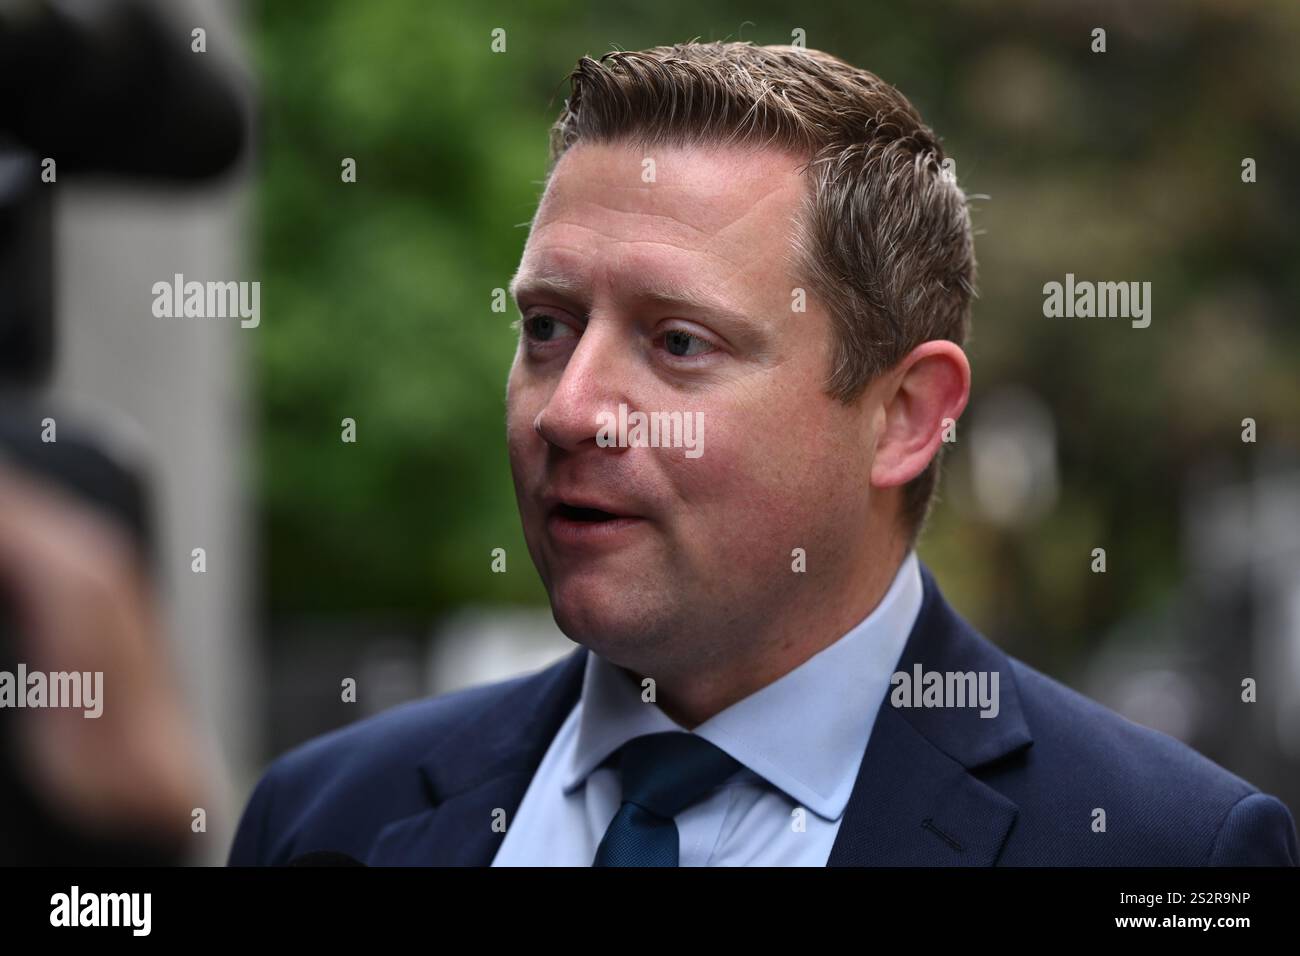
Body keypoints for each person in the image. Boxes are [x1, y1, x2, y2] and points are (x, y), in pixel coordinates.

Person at [228, 41, 1298, 866]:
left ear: (905, 416)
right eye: (546, 327)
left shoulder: (1160, 849)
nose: (570, 409)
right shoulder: (326, 818)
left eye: (678, 342)